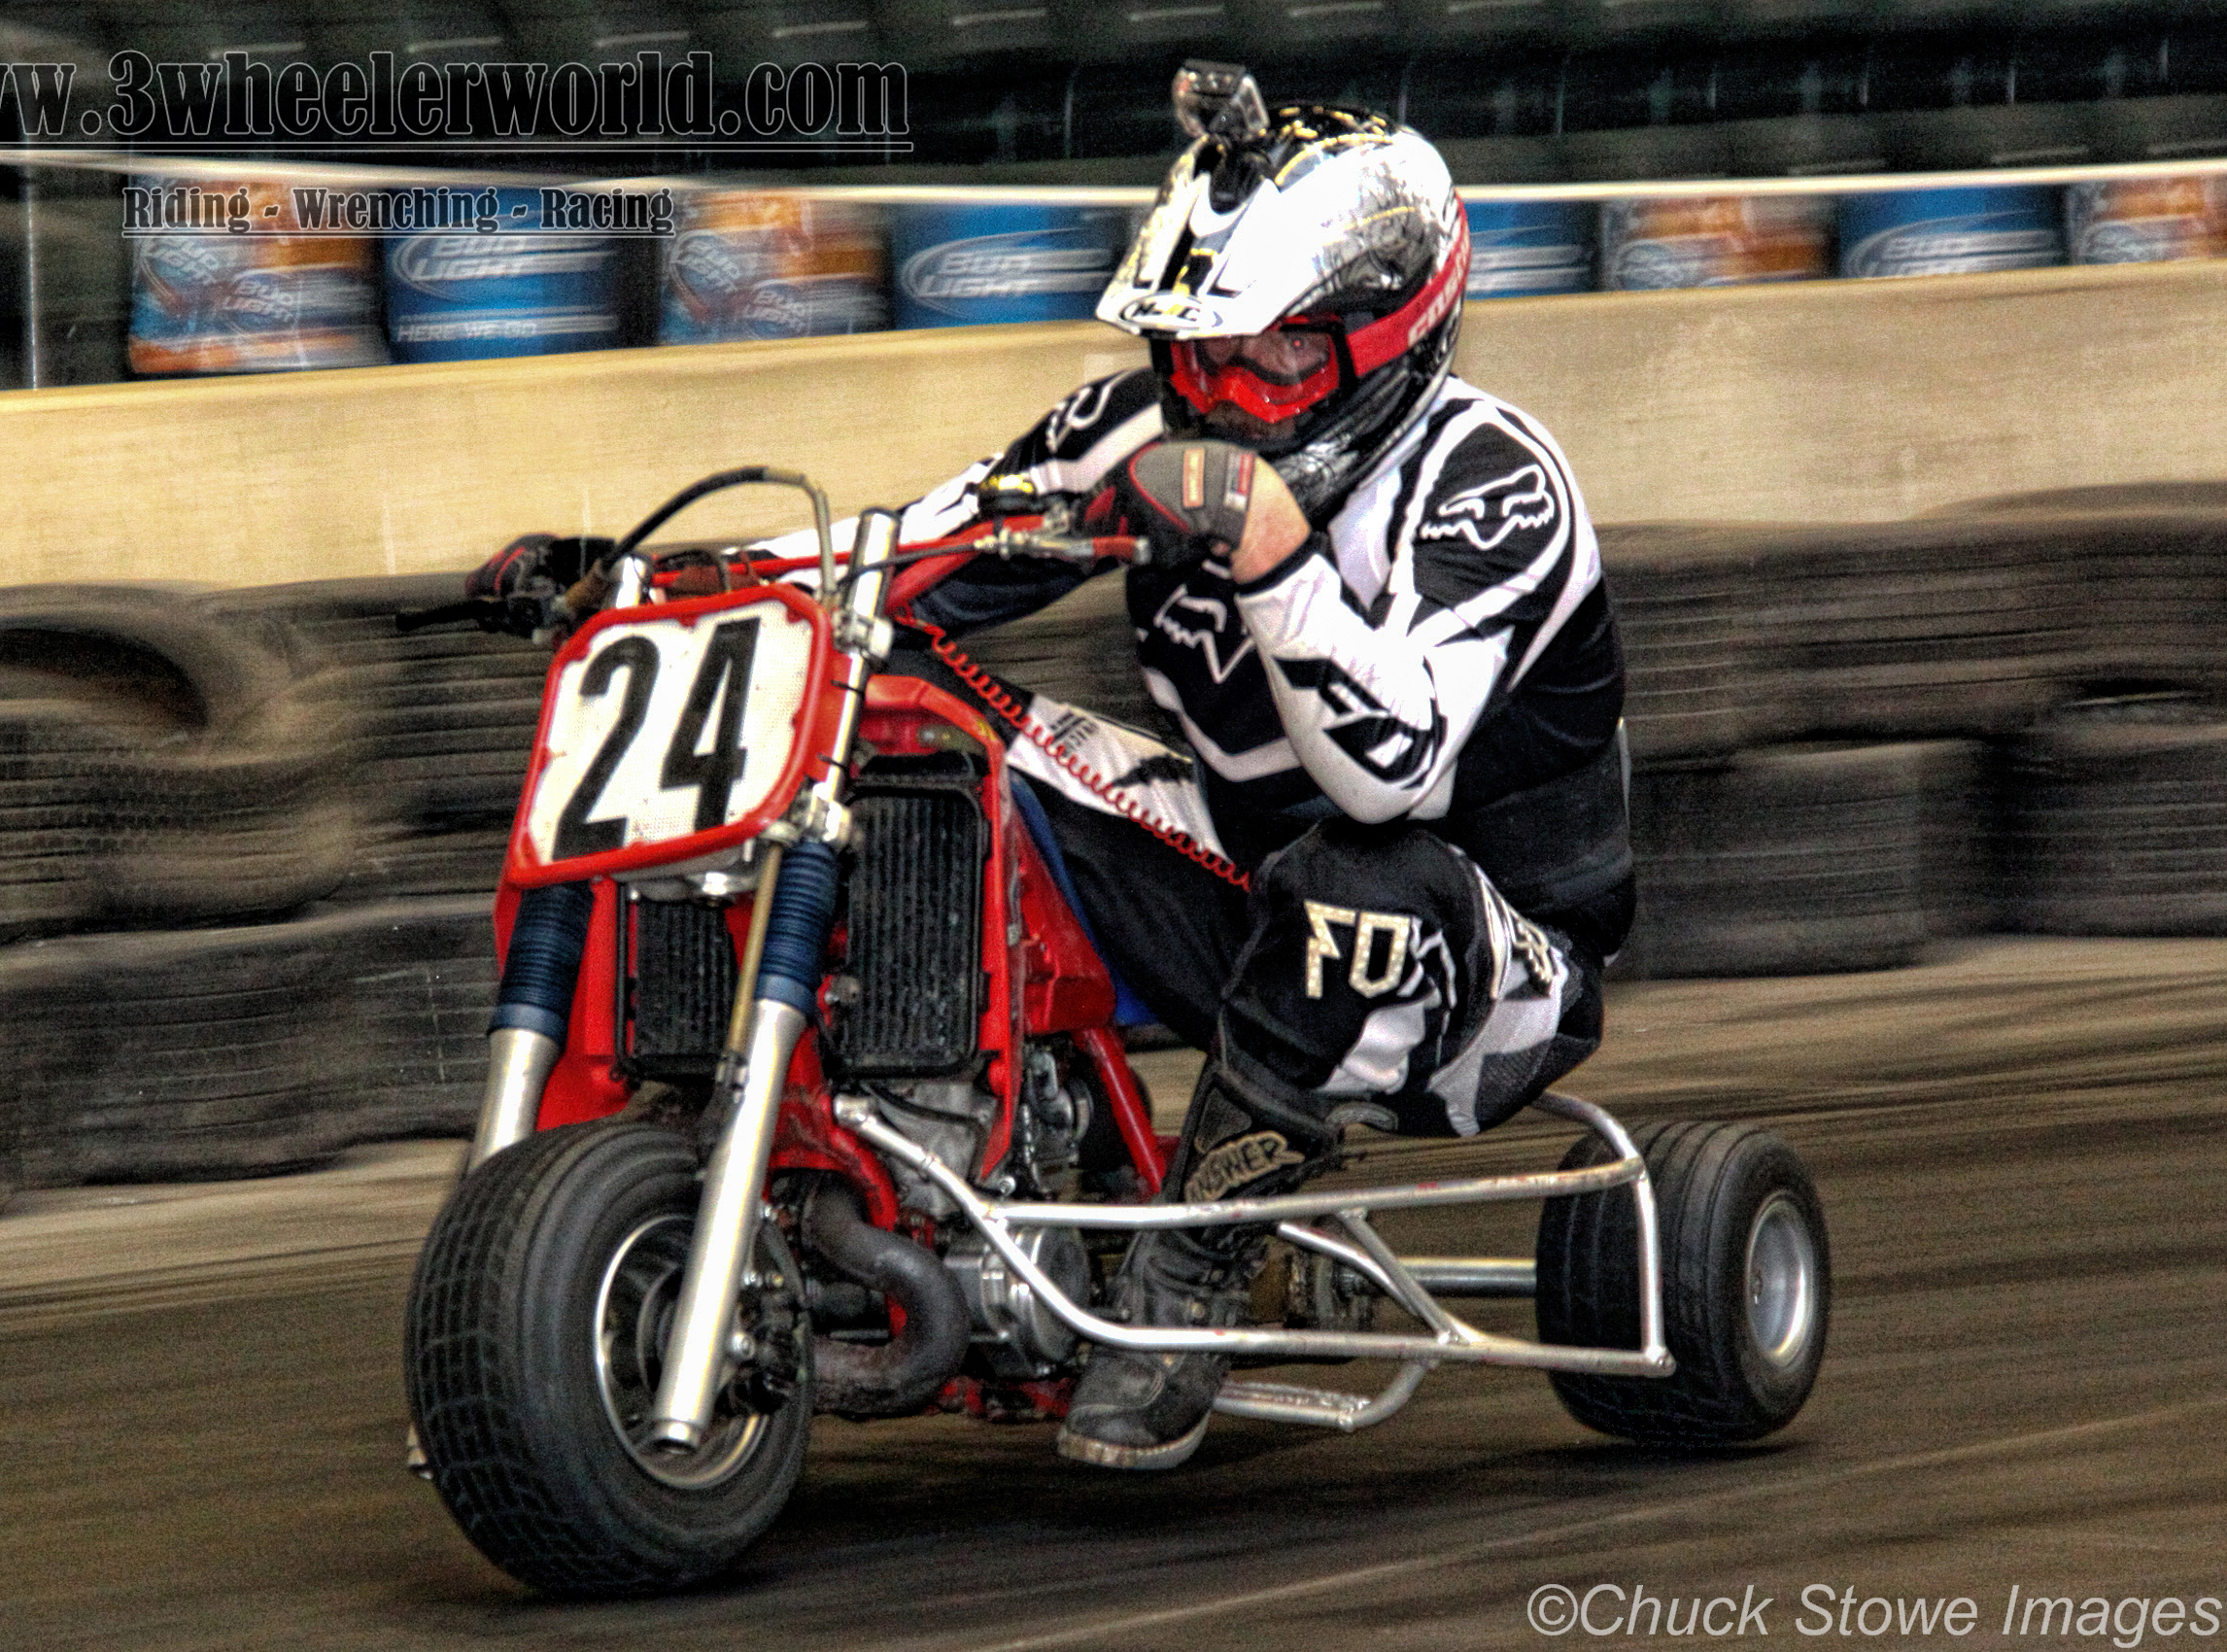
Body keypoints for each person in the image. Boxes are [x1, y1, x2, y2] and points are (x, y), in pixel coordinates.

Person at [476, 64, 1630, 1472]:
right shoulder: (1135, 431)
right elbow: (904, 558)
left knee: (1359, 881)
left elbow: (1389, 776)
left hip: (1487, 961)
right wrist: (649, 581)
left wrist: (1267, 556)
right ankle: (909, 1145)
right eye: (1198, 357)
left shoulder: (1493, 481)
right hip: (1241, 883)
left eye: (1268, 360)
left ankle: (1197, 1273)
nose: (1221, 398)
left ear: (1388, 339)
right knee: (913, 712)